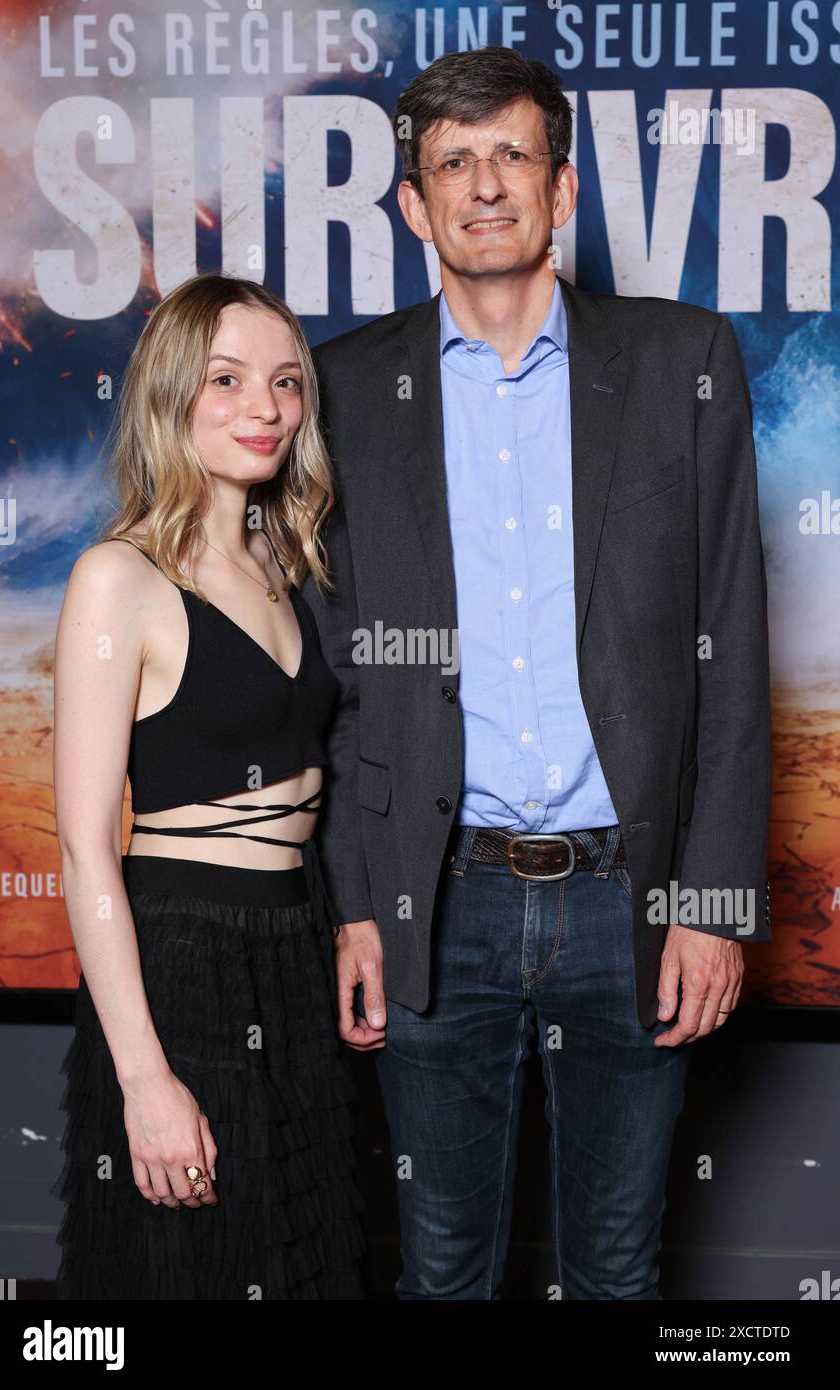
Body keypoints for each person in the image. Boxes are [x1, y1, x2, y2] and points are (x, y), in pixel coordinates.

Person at [300, 47, 772, 1299]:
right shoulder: (343, 391)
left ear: (563, 190)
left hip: (631, 902)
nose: (485, 185)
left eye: (513, 154)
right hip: (433, 903)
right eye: (452, 162)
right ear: (414, 206)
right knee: (443, 1270)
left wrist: (713, 901)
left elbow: (732, 653)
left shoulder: (683, 363)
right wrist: (355, 898)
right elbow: (338, 686)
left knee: (618, 1272)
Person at [51, 271, 365, 1300]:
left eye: (285, 382)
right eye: (226, 380)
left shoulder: (289, 562)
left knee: (311, 1261)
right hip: (182, 958)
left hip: (296, 947)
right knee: (190, 1268)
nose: (265, 408)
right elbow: (85, 842)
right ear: (171, 394)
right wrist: (144, 1075)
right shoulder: (120, 576)